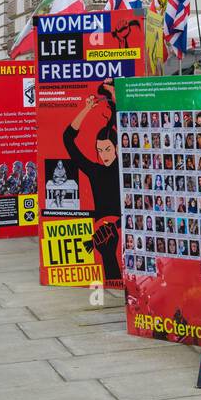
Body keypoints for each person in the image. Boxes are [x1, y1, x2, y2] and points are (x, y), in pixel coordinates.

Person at [63, 81, 121, 283]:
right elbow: (67, 139)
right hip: (102, 232)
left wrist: (113, 96)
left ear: (116, 147)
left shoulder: (124, 166)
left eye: (107, 149)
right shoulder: (94, 170)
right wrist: (86, 109)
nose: (103, 155)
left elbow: (123, 121)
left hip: (123, 227)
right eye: (99, 150)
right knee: (110, 269)